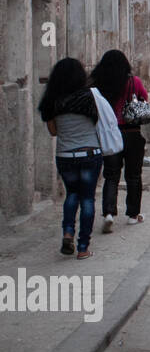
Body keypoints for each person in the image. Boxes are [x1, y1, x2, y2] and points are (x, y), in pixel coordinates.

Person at [38, 58, 103, 258]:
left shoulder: (51, 100)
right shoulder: (90, 96)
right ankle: (83, 248)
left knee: (72, 194)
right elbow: (101, 123)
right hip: (90, 153)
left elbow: (53, 132)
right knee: (87, 199)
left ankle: (68, 232)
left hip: (65, 155)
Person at [90, 49, 149, 231]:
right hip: (132, 133)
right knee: (133, 175)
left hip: (110, 134)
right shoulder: (134, 82)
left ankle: (108, 213)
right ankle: (133, 214)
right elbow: (145, 100)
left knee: (111, 175)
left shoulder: (98, 85)